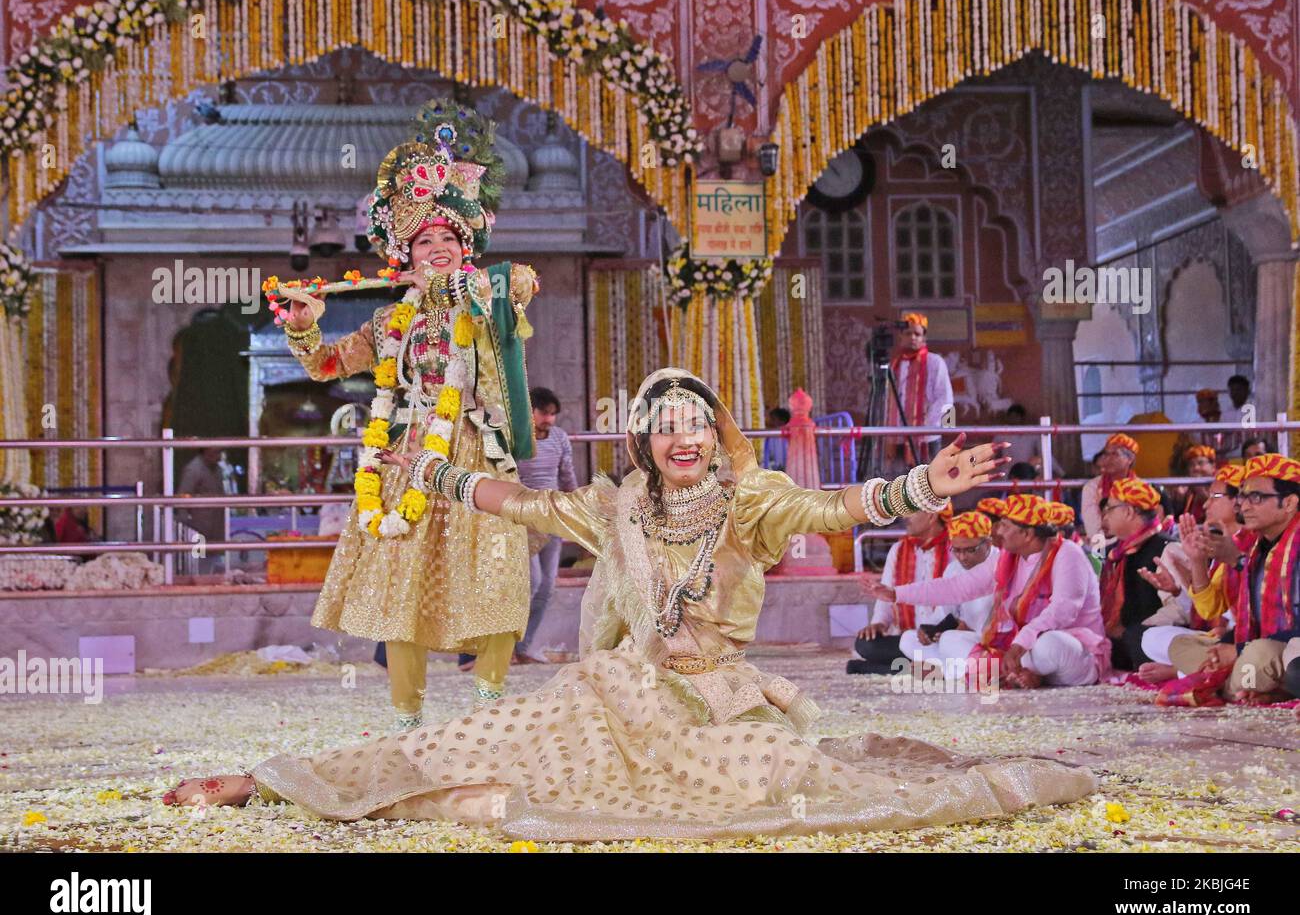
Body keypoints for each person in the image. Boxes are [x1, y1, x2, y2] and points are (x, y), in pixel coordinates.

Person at [158, 370, 1097, 836]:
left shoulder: (752, 497)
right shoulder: (614, 507)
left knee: (792, 791)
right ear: (644, 439)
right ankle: (276, 779)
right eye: (665, 424)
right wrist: (434, 472)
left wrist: (921, 487)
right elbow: (519, 501)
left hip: (716, 705)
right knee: (463, 742)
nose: (682, 436)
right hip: (613, 691)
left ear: (712, 432)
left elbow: (837, 506)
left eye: (697, 421)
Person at [278, 98, 541, 725]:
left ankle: (488, 706)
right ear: (406, 253)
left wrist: (457, 289)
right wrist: (305, 330)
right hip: (406, 459)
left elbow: (512, 285)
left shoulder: (494, 292)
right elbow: (327, 367)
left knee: (497, 577)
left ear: (467, 243)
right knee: (401, 586)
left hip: (478, 452)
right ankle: (407, 720)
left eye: (450, 237)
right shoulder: (387, 320)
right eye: (425, 240)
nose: (439, 247)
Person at [869, 495, 1108, 688]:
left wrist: (1019, 643)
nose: (998, 531)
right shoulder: (1008, 559)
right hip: (1021, 650)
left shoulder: (1068, 553)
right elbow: (958, 587)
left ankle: (982, 671)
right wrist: (897, 594)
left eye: (1005, 525)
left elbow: (1063, 611)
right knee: (950, 639)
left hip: (1073, 653)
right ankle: (1018, 674)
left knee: (1049, 643)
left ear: (1026, 534)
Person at [1169, 453, 1300, 703]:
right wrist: (1197, 560)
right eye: (1244, 497)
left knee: (1259, 656)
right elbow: (1214, 612)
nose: (1245, 506)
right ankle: (1251, 684)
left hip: (1282, 648)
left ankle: (1235, 683)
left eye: (1257, 497)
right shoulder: (1257, 546)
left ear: (1289, 503)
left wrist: (1237, 650)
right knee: (1180, 646)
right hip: (1262, 647)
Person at [1137, 465, 1245, 683]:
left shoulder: (1253, 541)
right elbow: (1208, 609)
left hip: (1250, 641)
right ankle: (1206, 668)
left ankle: (1183, 671)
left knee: (1258, 661)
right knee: (1150, 638)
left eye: (1214, 496)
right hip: (1222, 639)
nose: (1206, 504)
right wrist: (1194, 562)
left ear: (1238, 502)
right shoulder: (1225, 543)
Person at [511, 386, 577, 664]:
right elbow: (507, 477)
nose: (549, 419)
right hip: (523, 516)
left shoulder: (560, 438)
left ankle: (523, 648)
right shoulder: (517, 439)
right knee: (532, 582)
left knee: (547, 586)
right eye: (544, 413)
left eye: (552, 414)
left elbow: (567, 476)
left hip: (552, 514)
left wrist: (576, 508)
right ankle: (505, 648)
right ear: (530, 411)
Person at [848, 506, 954, 675]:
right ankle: (921, 666)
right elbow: (886, 596)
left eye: (911, 511)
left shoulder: (956, 550)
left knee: (952, 649)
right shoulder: (898, 550)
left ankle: (877, 668)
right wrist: (879, 624)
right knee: (865, 644)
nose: (904, 516)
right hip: (908, 637)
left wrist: (936, 631)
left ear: (931, 516)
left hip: (940, 636)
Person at [892, 511, 1000, 673]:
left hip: (991, 642)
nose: (962, 557)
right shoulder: (954, 569)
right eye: (956, 550)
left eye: (970, 550)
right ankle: (950, 668)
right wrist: (929, 631)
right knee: (908, 639)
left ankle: (943, 671)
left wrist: (967, 631)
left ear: (989, 543)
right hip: (962, 641)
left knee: (950, 640)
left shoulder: (999, 565)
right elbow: (942, 614)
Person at [1099, 477, 1172, 672]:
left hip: (1149, 639)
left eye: (1110, 508)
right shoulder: (1116, 553)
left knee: (1143, 638)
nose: (1105, 516)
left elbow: (1181, 611)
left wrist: (1129, 632)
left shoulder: (1167, 548)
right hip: (1125, 642)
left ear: (1129, 511)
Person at [885, 312, 954, 467]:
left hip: (927, 436)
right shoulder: (894, 364)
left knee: (929, 483)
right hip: (897, 436)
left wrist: (928, 425)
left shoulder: (935, 362)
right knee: (898, 484)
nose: (913, 337)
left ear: (924, 338)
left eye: (917, 334)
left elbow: (946, 398)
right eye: (908, 333)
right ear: (901, 337)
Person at [1080, 433, 1138, 538]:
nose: (1108, 459)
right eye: (1106, 454)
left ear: (1130, 459)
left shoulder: (1142, 488)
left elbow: (1141, 527)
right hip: (1101, 546)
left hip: (1134, 546)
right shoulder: (1092, 488)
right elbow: (1093, 530)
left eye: (1115, 454)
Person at [177, 447, 227, 551]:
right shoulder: (193, 469)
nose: (219, 456)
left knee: (213, 558)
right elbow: (182, 498)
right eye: (216, 452)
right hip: (198, 526)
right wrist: (185, 526)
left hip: (216, 525)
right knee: (198, 558)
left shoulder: (217, 469)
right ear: (206, 450)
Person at [1172, 444, 1217, 521]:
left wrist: (1199, 489)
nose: (1196, 468)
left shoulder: (1220, 482)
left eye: (1200, 463)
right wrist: (1179, 500)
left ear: (1213, 466)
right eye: (1191, 465)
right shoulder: (1188, 488)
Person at [763, 407, 791, 472]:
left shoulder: (786, 435)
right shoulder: (771, 435)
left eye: (773, 419)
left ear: (782, 421)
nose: (770, 421)